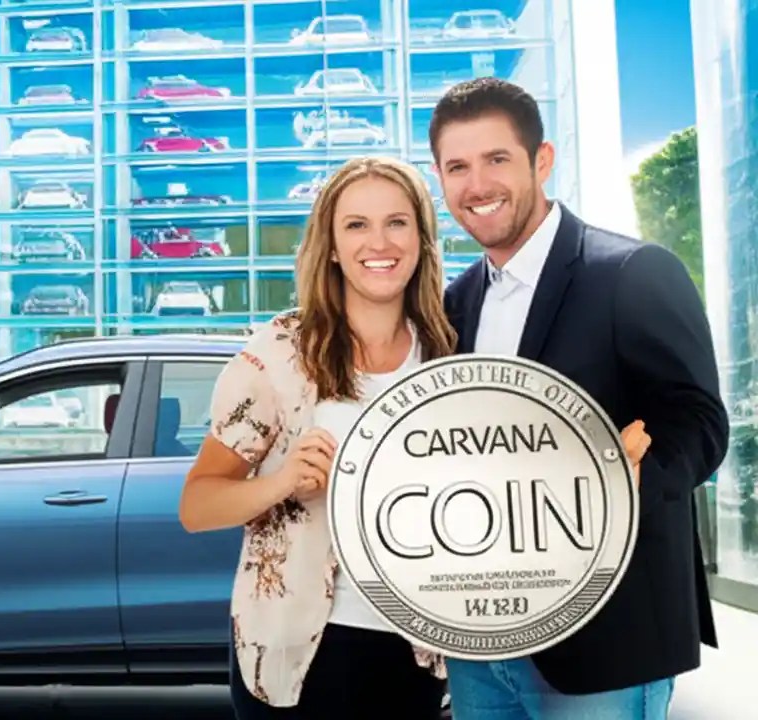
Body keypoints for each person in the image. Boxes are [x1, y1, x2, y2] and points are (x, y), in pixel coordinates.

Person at [432, 77, 729, 718]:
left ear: (542, 161)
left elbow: (701, 424)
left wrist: (620, 479)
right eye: (458, 167)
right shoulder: (455, 304)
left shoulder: (631, 272)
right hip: (483, 645)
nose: (477, 185)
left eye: (496, 159)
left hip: (608, 641)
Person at [179, 155, 454, 718]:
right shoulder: (282, 350)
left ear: (423, 239)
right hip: (302, 651)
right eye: (356, 224)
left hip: (417, 647)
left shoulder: (449, 348)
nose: (379, 241)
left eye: (397, 222)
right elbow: (197, 504)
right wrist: (282, 481)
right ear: (330, 245)